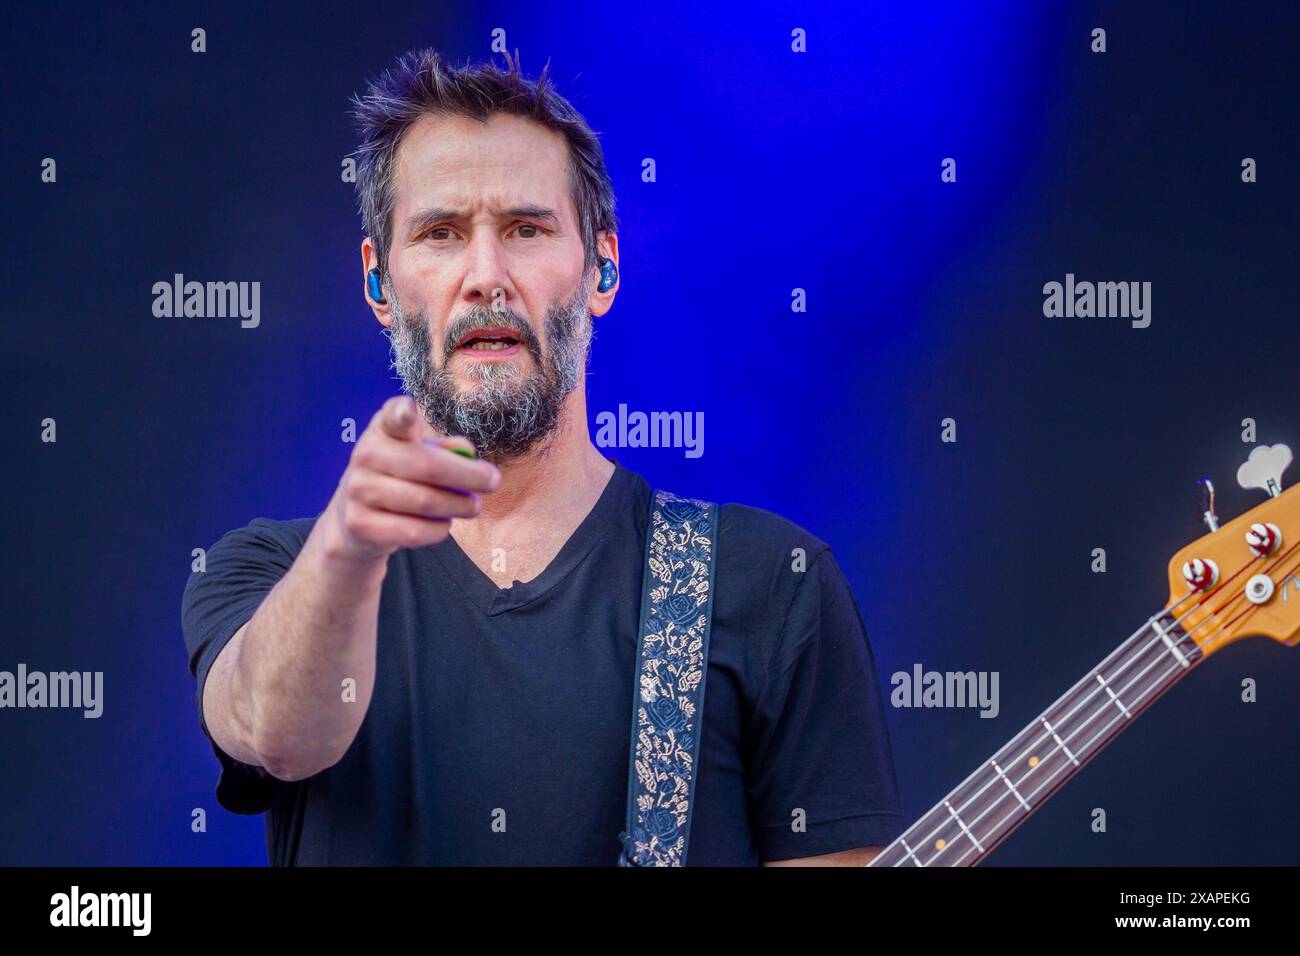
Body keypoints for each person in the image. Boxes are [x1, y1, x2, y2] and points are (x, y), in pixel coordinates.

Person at [181, 48, 905, 866]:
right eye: (441, 233)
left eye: (526, 229)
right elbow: (275, 736)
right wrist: (346, 552)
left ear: (603, 267)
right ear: (380, 284)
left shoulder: (775, 583)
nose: (486, 276)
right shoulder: (266, 569)